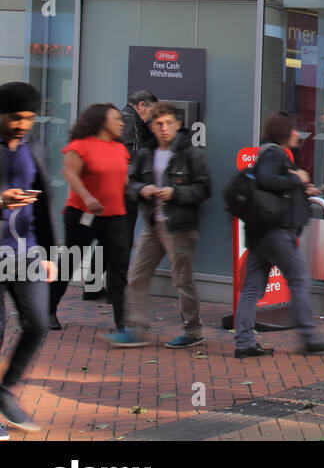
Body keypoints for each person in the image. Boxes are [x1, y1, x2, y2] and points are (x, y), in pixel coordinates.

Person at [232, 111, 324, 358]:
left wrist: (302, 187)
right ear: (282, 131)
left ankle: (244, 343)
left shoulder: (269, 154)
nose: (296, 133)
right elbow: (268, 180)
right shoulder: (273, 153)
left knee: (252, 288)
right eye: (292, 128)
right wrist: (295, 177)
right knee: (299, 279)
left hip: (261, 232)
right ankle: (308, 337)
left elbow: (271, 186)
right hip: (276, 232)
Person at [109, 104, 211, 348]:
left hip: (180, 227)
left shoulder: (191, 155)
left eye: (168, 123)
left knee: (182, 280)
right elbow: (130, 183)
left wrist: (174, 193)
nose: (164, 129)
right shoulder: (146, 153)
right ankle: (135, 328)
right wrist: (142, 190)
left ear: (177, 125)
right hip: (153, 224)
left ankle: (193, 331)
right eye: (158, 124)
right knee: (137, 275)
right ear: (151, 126)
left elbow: (204, 189)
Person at [0, 82, 55, 432]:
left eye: (29, 118)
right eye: (15, 117)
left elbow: (45, 202)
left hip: (26, 251)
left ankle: (4, 391)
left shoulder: (34, 148)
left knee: (38, 323)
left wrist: (49, 253)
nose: (22, 124)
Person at [51, 104, 131, 332]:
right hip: (83, 215)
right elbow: (69, 174)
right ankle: (49, 309)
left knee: (118, 268)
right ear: (101, 121)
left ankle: (121, 322)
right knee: (69, 262)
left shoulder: (120, 149)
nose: (121, 122)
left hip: (115, 216)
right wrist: (87, 197)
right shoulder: (80, 146)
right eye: (116, 119)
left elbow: (122, 181)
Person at [118, 90, 158, 256]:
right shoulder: (129, 120)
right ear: (141, 105)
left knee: (114, 239)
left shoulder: (126, 117)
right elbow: (128, 155)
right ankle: (102, 280)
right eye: (151, 111)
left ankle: (94, 280)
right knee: (123, 238)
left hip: (123, 187)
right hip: (125, 188)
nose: (151, 116)